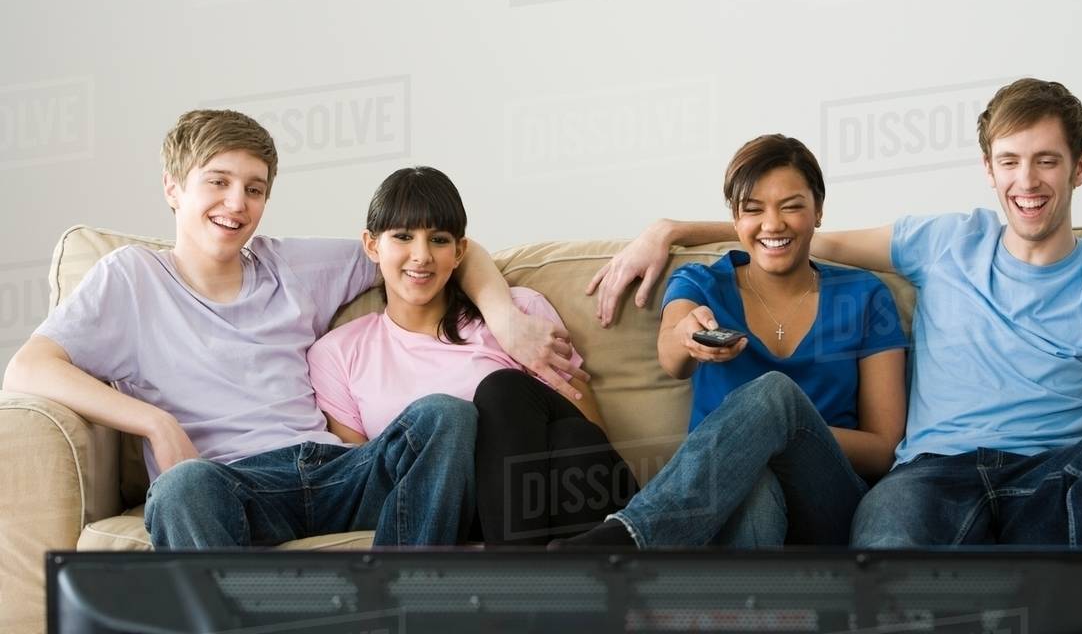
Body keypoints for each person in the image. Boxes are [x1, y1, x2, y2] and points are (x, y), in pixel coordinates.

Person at [585, 79, 1082, 546]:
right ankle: (628, 545)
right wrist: (672, 228)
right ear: (989, 170)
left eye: (1047, 160)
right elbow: (794, 236)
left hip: (1053, 470)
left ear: (1080, 166)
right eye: (1010, 161)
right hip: (934, 475)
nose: (1027, 180)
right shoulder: (944, 240)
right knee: (873, 535)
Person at [1, 110, 578, 548]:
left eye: (254, 189)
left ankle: (406, 597)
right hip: (228, 486)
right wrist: (156, 424)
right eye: (218, 182)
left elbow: (430, 250)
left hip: (335, 471)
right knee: (180, 490)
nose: (237, 203)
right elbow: (29, 366)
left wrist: (505, 319)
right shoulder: (129, 278)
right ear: (173, 189)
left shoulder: (291, 266)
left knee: (446, 415)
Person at [559, 134, 906, 548]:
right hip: (726, 499)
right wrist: (686, 335)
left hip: (828, 504)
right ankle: (741, 610)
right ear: (736, 219)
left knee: (776, 395)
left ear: (818, 210)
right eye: (753, 210)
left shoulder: (865, 295)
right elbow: (672, 358)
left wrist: (784, 427)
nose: (772, 224)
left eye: (792, 206)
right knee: (755, 485)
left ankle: (633, 537)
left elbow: (883, 449)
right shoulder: (702, 282)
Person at [307, 166, 636, 545]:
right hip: (447, 507)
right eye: (402, 237)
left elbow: (593, 432)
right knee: (565, 436)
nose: (421, 256)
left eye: (439, 240)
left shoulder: (518, 315)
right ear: (371, 245)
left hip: (559, 492)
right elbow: (365, 479)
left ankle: (510, 572)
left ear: (460, 250)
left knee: (538, 413)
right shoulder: (338, 352)